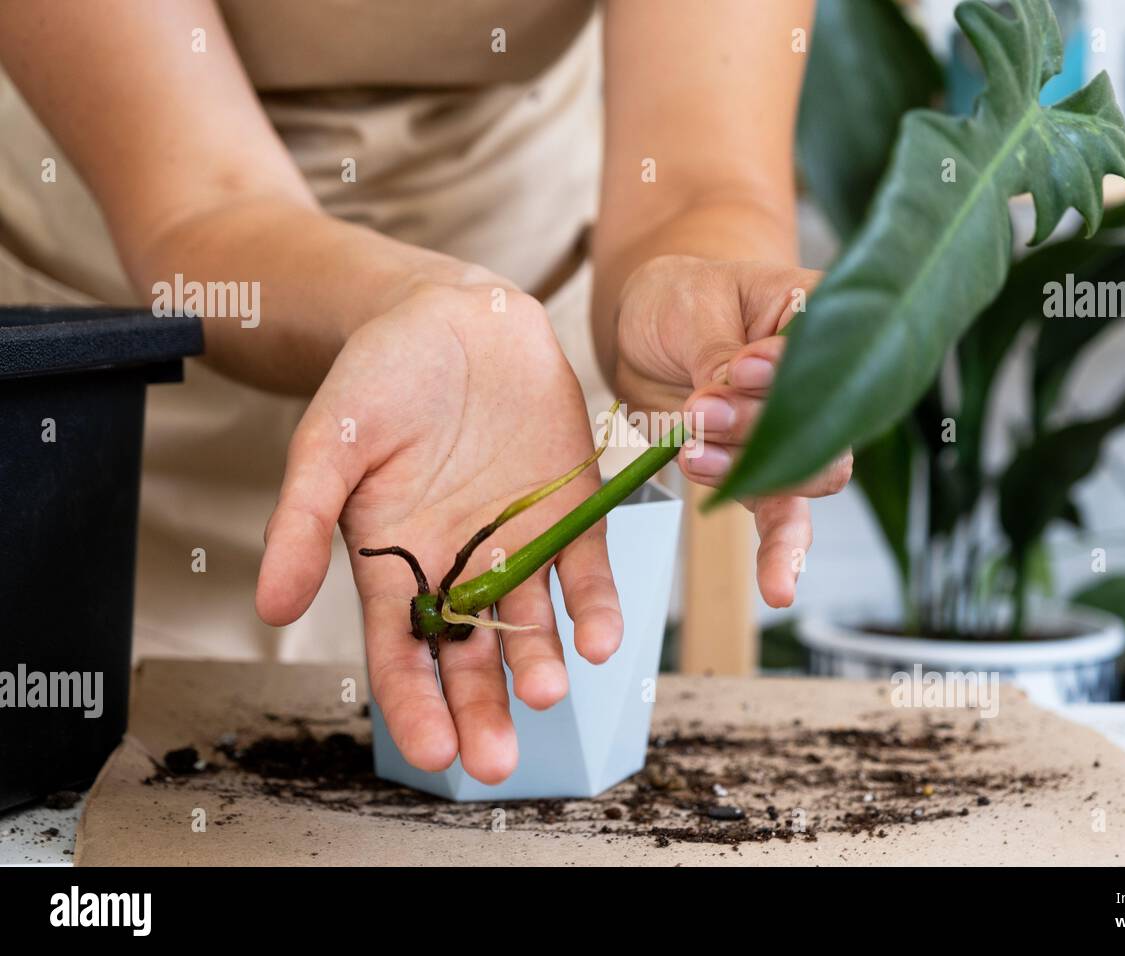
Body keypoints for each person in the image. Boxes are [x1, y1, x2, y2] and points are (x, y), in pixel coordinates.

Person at [0, 0, 850, 784]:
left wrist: (695, 296)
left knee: (527, 774)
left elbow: (700, 181)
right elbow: (201, 204)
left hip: (512, 398)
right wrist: (424, 311)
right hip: (126, 366)